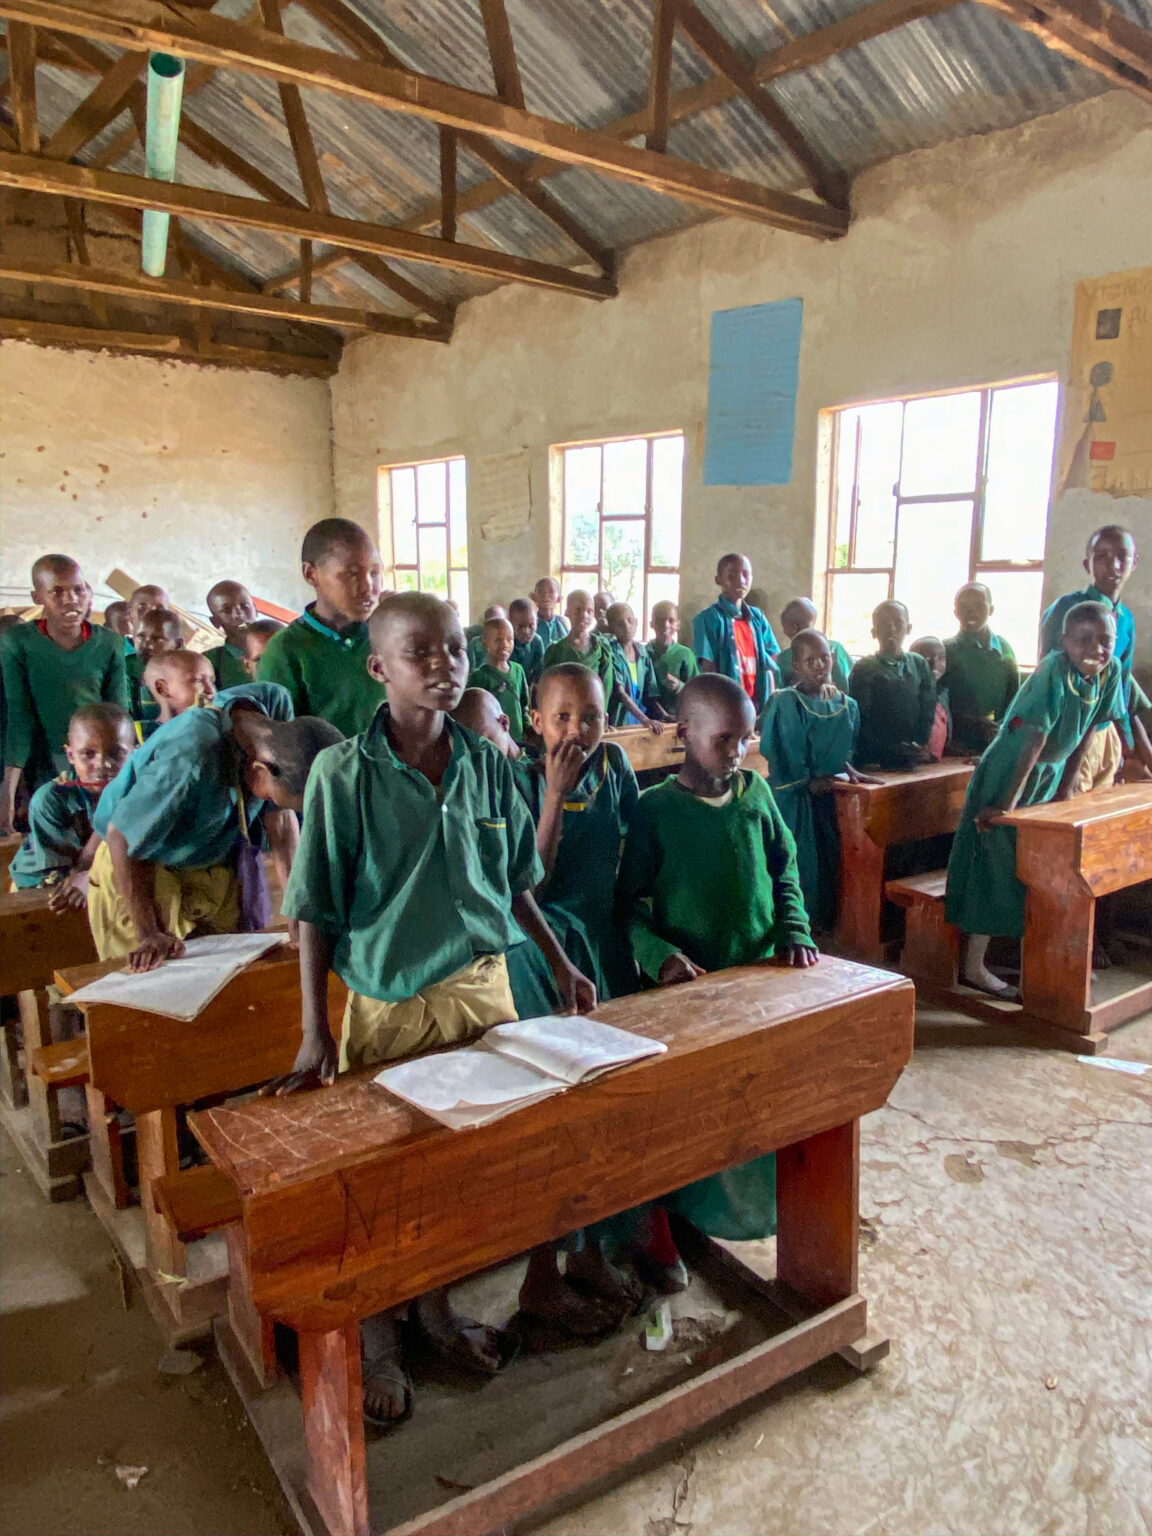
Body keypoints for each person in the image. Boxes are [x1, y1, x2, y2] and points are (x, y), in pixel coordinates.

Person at [263, 592, 595, 1427]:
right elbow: (316, 909)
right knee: (388, 1182)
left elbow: (516, 882)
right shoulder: (342, 775)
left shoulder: (486, 763)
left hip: (483, 996)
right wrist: (312, 1031)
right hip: (388, 1003)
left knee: (463, 1170)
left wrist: (558, 962)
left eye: (453, 649)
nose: (444, 664)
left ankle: (437, 1309)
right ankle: (380, 1333)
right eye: (421, 652)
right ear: (379, 668)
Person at [617, 672, 817, 1253]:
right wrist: (660, 957)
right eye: (724, 739)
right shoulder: (655, 812)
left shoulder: (755, 794)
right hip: (695, 988)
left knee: (763, 1098)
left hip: (758, 975)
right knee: (700, 1110)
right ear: (685, 733)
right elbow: (626, 907)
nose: (736, 752)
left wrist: (796, 929)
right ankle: (688, 1216)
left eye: (745, 739)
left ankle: (762, 1213)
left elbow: (785, 867)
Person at [945, 602, 1125, 997]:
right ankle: (974, 966)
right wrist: (1006, 805)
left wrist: (1066, 788)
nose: (1096, 648)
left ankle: (1044, 961)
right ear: (1064, 641)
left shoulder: (1109, 673)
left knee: (1038, 864)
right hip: (1010, 772)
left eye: (1105, 640)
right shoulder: (1053, 672)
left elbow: (1089, 731)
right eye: (1084, 639)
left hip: (1049, 774)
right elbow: (1033, 738)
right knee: (995, 862)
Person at [90, 683, 339, 968]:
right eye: (270, 794)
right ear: (258, 771)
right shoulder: (191, 756)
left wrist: (298, 907)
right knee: (153, 982)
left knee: (231, 981)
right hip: (138, 864)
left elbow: (279, 818)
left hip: (207, 856)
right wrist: (148, 933)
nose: (269, 802)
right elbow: (121, 836)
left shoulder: (274, 710)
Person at [0, 555, 128, 834]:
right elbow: (19, 716)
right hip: (44, 763)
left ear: (89, 592)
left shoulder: (108, 643)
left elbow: (119, 714)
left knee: (103, 836)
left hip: (100, 761)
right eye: (56, 592)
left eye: (78, 589)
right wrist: (9, 794)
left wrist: (124, 773)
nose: (71, 599)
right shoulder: (18, 642)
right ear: (37, 597)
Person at [760, 630, 877, 931]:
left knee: (830, 858)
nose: (819, 666)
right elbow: (783, 751)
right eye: (809, 661)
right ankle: (793, 926)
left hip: (830, 795)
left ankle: (824, 925)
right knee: (800, 862)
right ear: (795, 667)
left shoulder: (846, 704)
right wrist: (807, 781)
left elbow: (846, 747)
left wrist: (846, 770)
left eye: (824, 658)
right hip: (795, 796)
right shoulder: (787, 703)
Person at [1039, 525, 1152, 782]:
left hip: (1102, 733)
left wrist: (1129, 748)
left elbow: (1121, 691)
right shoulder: (1068, 610)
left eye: (1122, 557)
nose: (1113, 566)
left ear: (1134, 563)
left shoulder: (1126, 620)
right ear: (1086, 564)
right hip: (1065, 736)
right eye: (1102, 556)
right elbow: (1046, 676)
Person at [257, 518, 386, 736]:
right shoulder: (286, 650)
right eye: (351, 573)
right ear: (310, 574)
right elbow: (279, 741)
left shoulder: (387, 635)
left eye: (374, 572)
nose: (368, 587)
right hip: (326, 769)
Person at [9, 703, 136, 903]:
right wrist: (111, 816)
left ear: (134, 754)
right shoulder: (51, 799)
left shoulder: (139, 791)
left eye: (117, 753)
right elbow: (69, 877)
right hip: (44, 882)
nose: (103, 764)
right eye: (88, 754)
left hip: (91, 877)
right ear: (70, 755)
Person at [849, 600, 936, 769]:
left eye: (898, 622)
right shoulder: (865, 668)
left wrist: (919, 742)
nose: (891, 628)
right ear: (874, 632)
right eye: (883, 624)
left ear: (909, 628)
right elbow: (860, 717)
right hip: (874, 759)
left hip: (912, 755)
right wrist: (889, 749)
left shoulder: (919, 664)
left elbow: (928, 708)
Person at [692, 554, 779, 714]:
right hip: (727, 706)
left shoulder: (758, 618)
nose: (741, 581)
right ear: (718, 580)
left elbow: (772, 660)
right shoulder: (707, 619)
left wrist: (770, 707)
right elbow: (708, 669)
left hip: (758, 703)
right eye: (732, 576)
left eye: (746, 575)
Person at [941, 583, 1020, 753]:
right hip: (958, 744)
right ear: (955, 613)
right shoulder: (946, 650)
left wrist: (1005, 729)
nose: (971, 612)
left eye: (978, 606)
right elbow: (938, 704)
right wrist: (973, 723)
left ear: (991, 609)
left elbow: (1015, 700)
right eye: (963, 607)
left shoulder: (1004, 649)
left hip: (997, 741)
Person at [604, 602, 668, 731]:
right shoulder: (611, 652)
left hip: (639, 724)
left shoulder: (643, 653)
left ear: (636, 622)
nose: (627, 627)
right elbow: (620, 693)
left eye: (630, 620)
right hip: (618, 723)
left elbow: (649, 695)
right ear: (611, 628)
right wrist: (644, 719)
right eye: (620, 624)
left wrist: (664, 715)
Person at [468, 615, 531, 744]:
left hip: (517, 738)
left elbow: (523, 705)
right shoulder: (479, 676)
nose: (505, 645)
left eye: (510, 639)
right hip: (493, 740)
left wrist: (528, 728)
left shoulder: (518, 671)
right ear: (486, 644)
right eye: (498, 640)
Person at [542, 589, 615, 697]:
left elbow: (606, 685)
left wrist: (601, 711)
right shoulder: (556, 650)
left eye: (589, 611)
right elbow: (547, 686)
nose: (584, 616)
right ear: (567, 612)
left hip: (593, 706)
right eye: (578, 610)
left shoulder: (600, 647)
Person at [127, 608, 183, 736]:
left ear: (178, 644)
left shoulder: (188, 672)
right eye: (141, 636)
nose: (146, 644)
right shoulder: (124, 668)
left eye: (157, 638)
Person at [775, 598, 852, 692]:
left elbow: (779, 691)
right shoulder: (837, 648)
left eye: (784, 627)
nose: (783, 632)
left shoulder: (786, 658)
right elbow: (851, 678)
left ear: (794, 628)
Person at [205, 580, 258, 690]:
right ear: (215, 622)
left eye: (245, 605)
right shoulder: (210, 663)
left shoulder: (278, 646)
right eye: (227, 610)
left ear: (256, 609)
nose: (239, 614)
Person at [649, 600, 699, 716]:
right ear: (652, 624)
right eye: (660, 621)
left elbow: (698, 691)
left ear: (678, 625)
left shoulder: (685, 654)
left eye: (671, 621)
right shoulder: (644, 654)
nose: (666, 625)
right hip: (648, 719)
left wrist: (679, 686)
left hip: (678, 718)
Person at [143, 649, 217, 726]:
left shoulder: (221, 730)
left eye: (212, 682)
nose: (210, 690)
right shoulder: (143, 735)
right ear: (162, 689)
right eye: (197, 681)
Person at [908, 636, 951, 761]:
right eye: (925, 659)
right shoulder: (910, 693)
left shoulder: (942, 693)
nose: (934, 664)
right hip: (915, 762)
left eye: (941, 658)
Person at [508, 597, 545, 685]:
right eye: (520, 627)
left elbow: (540, 671)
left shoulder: (537, 642)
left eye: (531, 626)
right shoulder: (506, 642)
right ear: (509, 623)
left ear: (537, 622)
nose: (526, 631)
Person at [465, 604, 507, 669]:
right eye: (492, 623)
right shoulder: (475, 644)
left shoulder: (510, 643)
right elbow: (471, 670)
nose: (497, 626)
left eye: (500, 622)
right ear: (485, 624)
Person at [532, 577, 568, 650]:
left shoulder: (562, 623)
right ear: (534, 597)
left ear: (559, 598)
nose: (545, 595)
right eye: (540, 591)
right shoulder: (530, 624)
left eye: (551, 591)